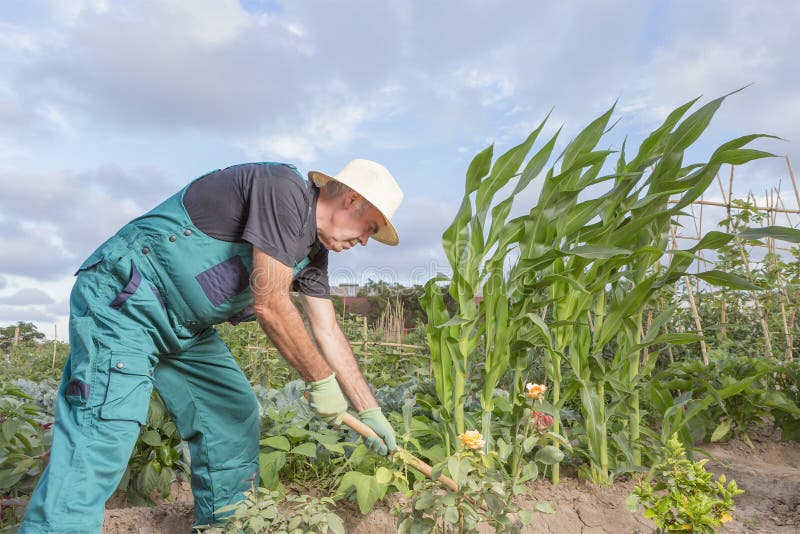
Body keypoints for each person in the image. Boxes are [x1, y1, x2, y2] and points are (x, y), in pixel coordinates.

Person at [19, 159, 403, 533]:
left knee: (231, 410)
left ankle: (226, 524)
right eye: (369, 227)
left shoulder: (312, 255)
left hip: (184, 327)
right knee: (107, 421)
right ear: (351, 199)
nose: (364, 241)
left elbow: (328, 329)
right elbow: (270, 303)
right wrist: (321, 382)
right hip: (128, 297)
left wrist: (369, 410)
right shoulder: (282, 189)